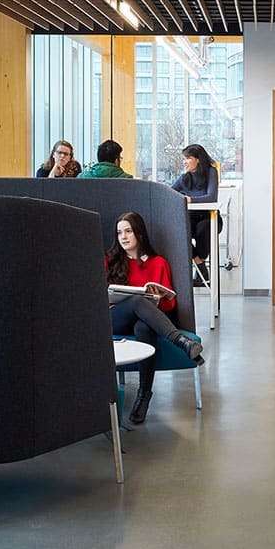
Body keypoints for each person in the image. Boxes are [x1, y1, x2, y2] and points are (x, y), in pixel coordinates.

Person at [106, 211, 204, 425]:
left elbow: (170, 304)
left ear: (139, 234)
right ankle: (181, 341)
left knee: (144, 328)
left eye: (128, 231)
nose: (123, 237)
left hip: (145, 321)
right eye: (119, 233)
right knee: (136, 301)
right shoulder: (109, 260)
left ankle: (144, 396)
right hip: (115, 319)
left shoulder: (158, 263)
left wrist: (159, 298)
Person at [170, 144, 219, 279]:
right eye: (184, 159)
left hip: (209, 217)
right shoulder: (184, 177)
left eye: (188, 158)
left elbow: (211, 197)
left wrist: (190, 199)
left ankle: (201, 268)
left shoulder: (211, 172)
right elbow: (169, 194)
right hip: (190, 217)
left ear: (198, 159)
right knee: (178, 232)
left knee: (203, 229)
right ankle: (200, 264)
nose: (184, 162)